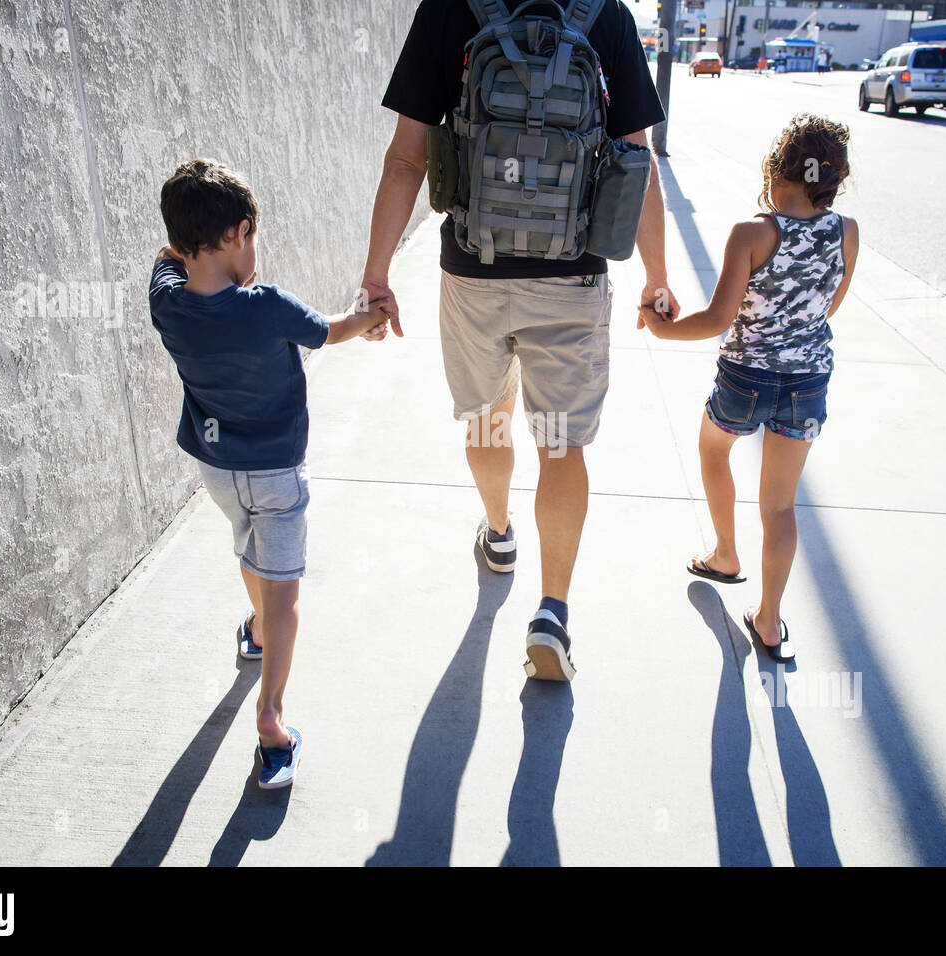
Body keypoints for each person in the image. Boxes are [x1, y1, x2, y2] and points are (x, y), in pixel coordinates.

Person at [362, 0, 678, 682]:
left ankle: (499, 530)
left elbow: (404, 158)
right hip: (572, 274)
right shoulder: (607, 16)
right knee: (560, 445)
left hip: (475, 271)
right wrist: (656, 278)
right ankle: (552, 612)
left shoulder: (452, 9)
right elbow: (635, 160)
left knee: (484, 418)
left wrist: (377, 275)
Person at [149, 159, 390, 787]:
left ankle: (255, 631)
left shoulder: (168, 305)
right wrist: (372, 317)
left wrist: (178, 247)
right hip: (277, 470)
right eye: (252, 238)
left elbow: (165, 262)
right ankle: (271, 717)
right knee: (285, 589)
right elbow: (330, 332)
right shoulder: (268, 308)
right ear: (240, 230)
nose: (254, 251)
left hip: (219, 472)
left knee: (249, 552)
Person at [638, 113, 859, 663]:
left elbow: (717, 319)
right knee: (780, 506)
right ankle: (769, 620)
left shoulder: (753, 233)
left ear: (775, 168)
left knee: (714, 449)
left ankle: (725, 554)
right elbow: (830, 305)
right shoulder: (845, 232)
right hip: (808, 378)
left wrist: (665, 329)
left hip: (746, 376)